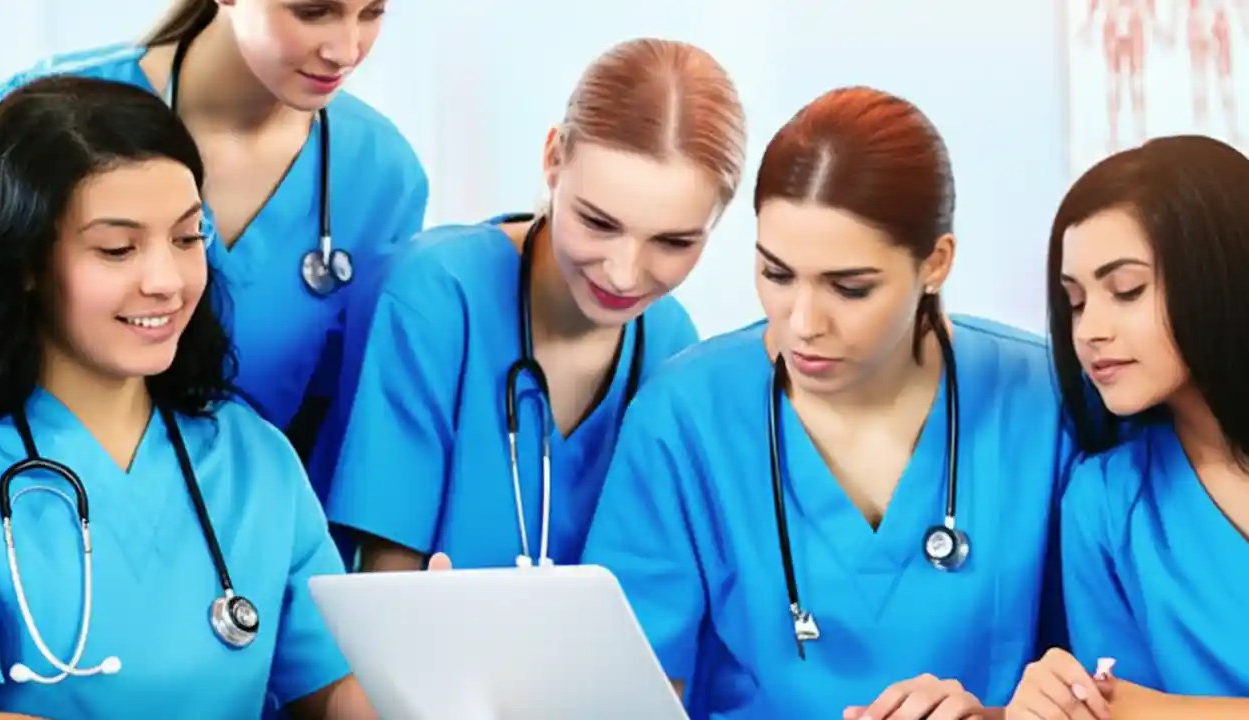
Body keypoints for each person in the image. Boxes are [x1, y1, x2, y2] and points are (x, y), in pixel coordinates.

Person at [578, 87, 1076, 719]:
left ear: (936, 263)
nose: (803, 324)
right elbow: (628, 701)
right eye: (777, 275)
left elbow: (1111, 681)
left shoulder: (1045, 401)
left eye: (849, 287)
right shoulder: (684, 420)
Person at [0, 76, 375, 720]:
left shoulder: (254, 459)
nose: (166, 281)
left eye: (188, 238)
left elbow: (332, 696)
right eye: (117, 248)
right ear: (23, 260)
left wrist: (423, 667)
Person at [319, 37, 747, 572]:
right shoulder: (436, 297)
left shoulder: (670, 347)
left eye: (673, 242)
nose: (623, 273)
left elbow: (660, 590)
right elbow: (385, 577)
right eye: (598, 222)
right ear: (553, 158)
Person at [0, 0, 429, 458]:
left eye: (372, 12)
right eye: (312, 12)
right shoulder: (44, 114)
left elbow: (341, 418)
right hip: (29, 488)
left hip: (243, 512)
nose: (345, 51)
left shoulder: (380, 172)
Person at [1004, 135, 1249, 719]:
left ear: (1222, 272)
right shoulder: (1106, 504)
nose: (1088, 331)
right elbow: (1116, 708)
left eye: (1126, 290)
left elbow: (1145, 712)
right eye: (1076, 301)